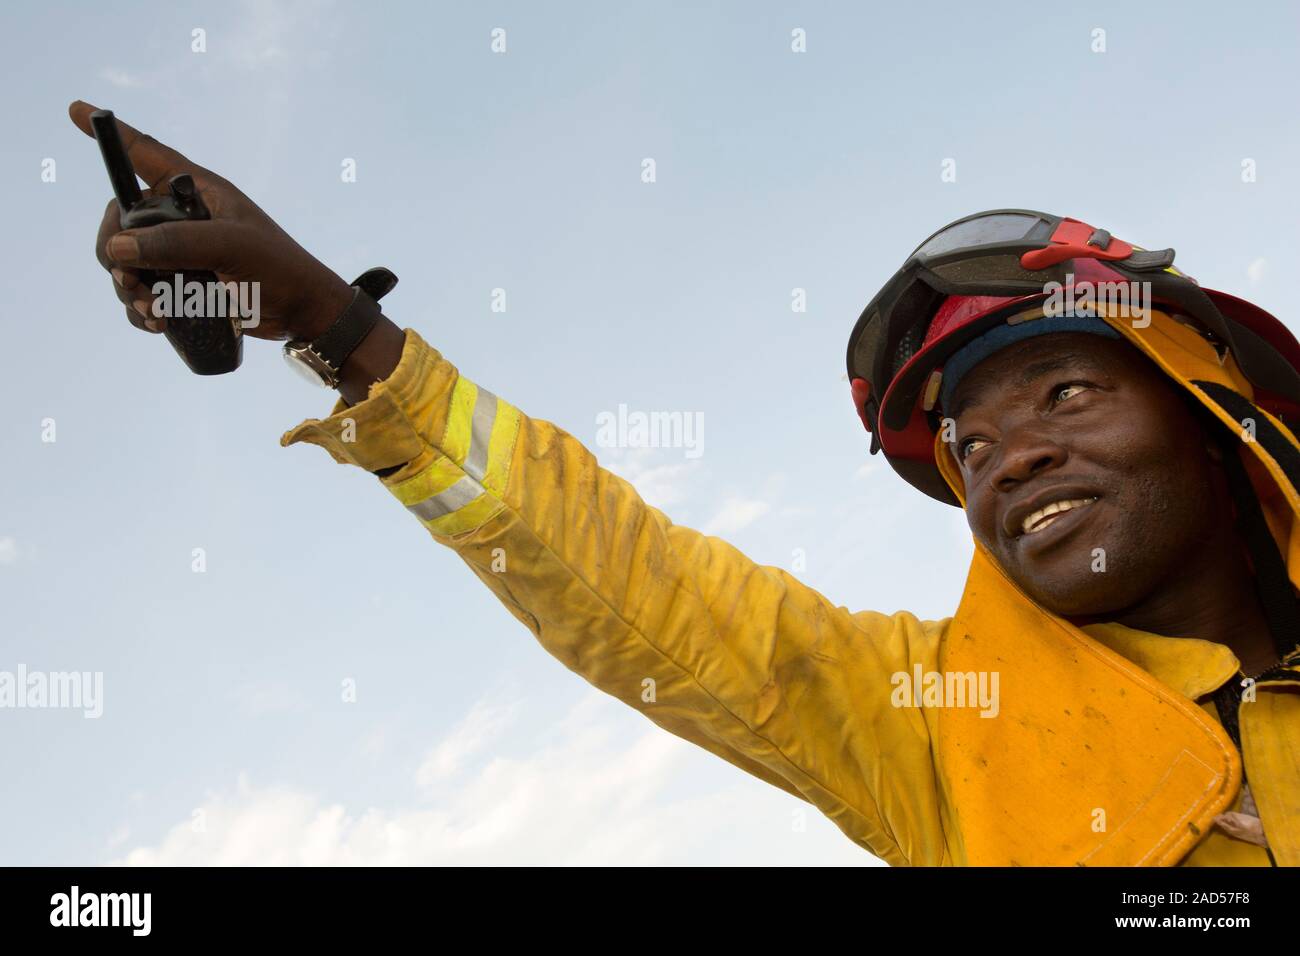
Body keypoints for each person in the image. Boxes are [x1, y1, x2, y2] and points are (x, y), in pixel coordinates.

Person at [70, 102, 1300, 867]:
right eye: (966, 448)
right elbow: (638, 582)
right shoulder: (935, 727)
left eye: (1064, 393)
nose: (1009, 454)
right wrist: (331, 322)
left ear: (1212, 419)